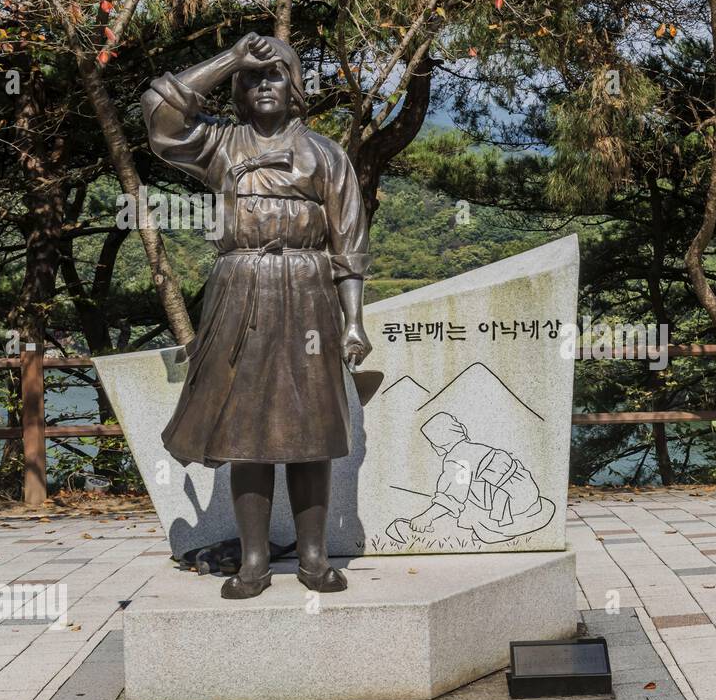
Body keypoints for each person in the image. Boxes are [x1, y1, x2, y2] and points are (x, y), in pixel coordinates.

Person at [141, 32, 372, 599]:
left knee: (311, 428)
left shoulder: (326, 155)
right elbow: (160, 114)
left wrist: (354, 320)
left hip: (309, 289)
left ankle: (315, 558)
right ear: (238, 90)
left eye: (274, 75)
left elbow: (350, 245)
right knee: (245, 430)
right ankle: (252, 560)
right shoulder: (220, 146)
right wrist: (229, 59)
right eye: (252, 78)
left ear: (295, 88)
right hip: (240, 288)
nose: (262, 85)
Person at [388, 412, 554, 546]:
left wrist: (426, 517)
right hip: (529, 497)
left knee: (460, 503)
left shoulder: (457, 459)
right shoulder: (475, 448)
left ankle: (490, 531)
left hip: (513, 505)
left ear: (438, 444)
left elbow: (452, 495)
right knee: (469, 490)